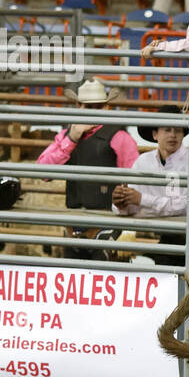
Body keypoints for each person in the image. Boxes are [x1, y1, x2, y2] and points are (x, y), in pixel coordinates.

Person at [38, 78, 139, 257]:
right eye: (88, 106)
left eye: (98, 107)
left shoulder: (119, 137)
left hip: (108, 223)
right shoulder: (66, 136)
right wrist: (72, 140)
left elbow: (137, 181)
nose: (93, 112)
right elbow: (43, 172)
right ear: (79, 106)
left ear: (106, 107)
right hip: (73, 223)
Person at [112, 105, 189, 267]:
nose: (173, 135)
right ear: (155, 134)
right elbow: (134, 205)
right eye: (167, 130)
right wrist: (121, 204)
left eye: (177, 130)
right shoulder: (143, 162)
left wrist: (141, 199)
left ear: (183, 134)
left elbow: (187, 205)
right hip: (166, 237)